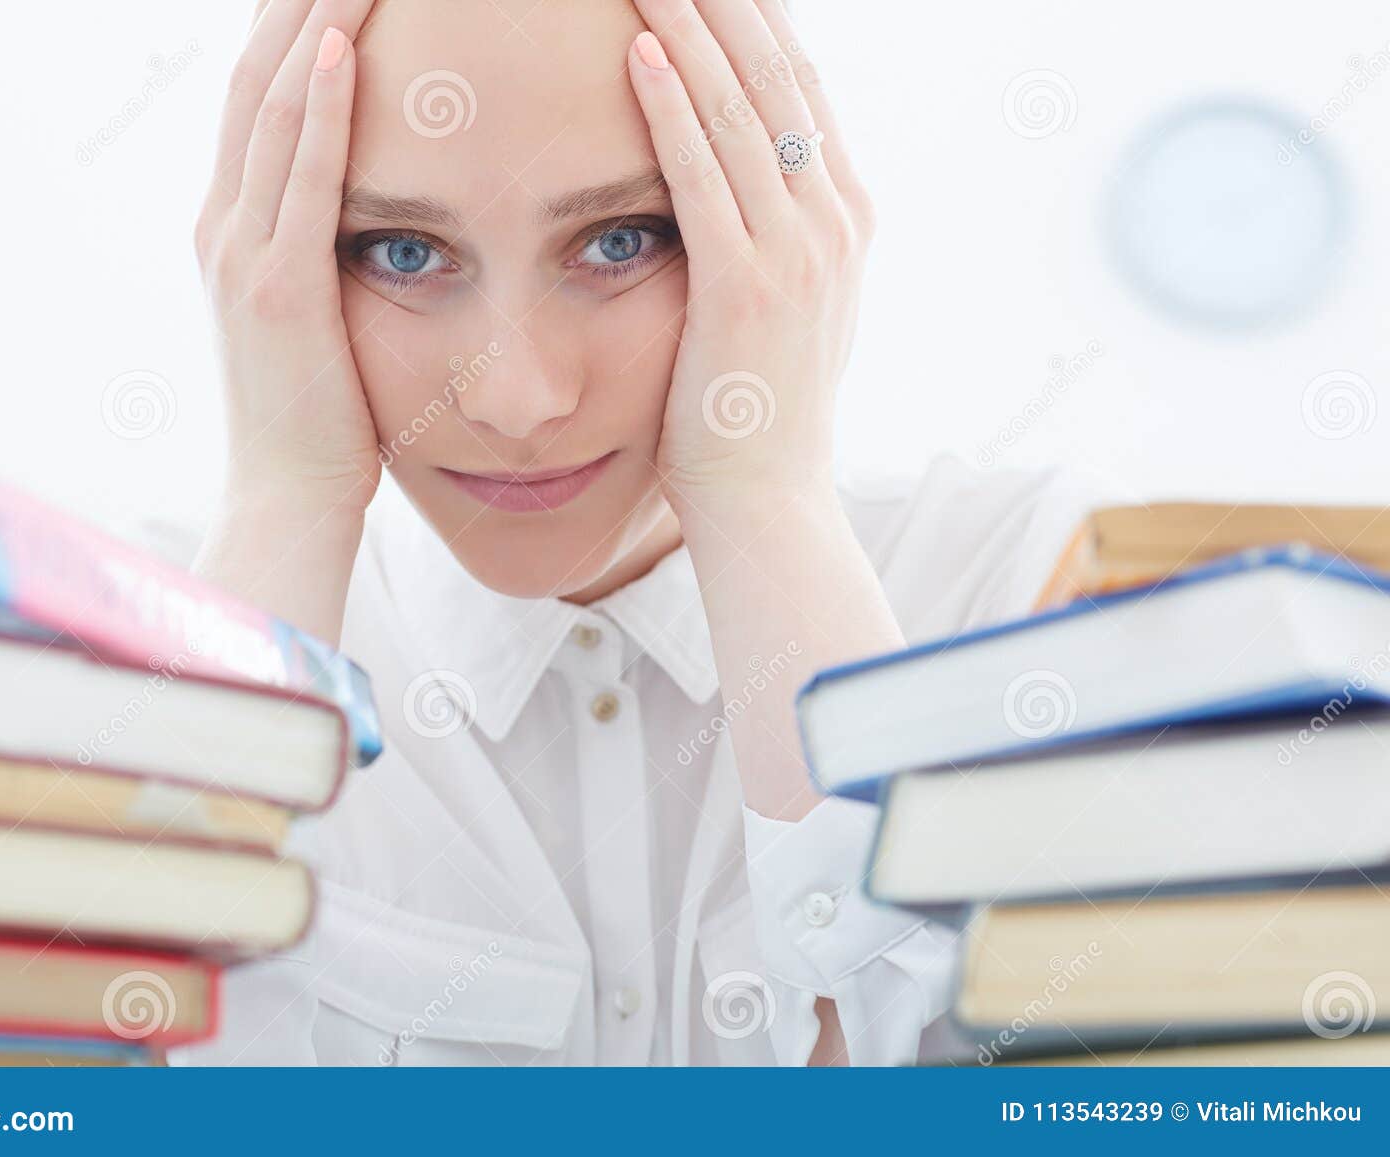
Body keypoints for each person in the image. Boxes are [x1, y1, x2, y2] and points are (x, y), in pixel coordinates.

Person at [174, 0, 1093, 1066]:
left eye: (621, 242)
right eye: (402, 252)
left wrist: (763, 489)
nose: (516, 398)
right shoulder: (146, 655)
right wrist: (286, 492)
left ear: (789, 226)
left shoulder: (1026, 591)